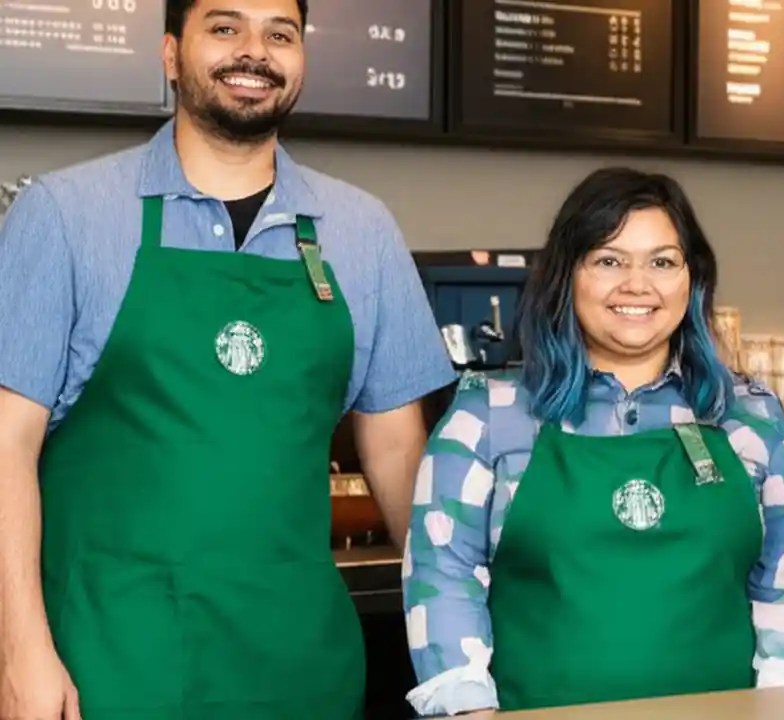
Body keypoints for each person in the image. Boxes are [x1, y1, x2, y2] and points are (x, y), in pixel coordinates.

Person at [0, 0, 456, 718]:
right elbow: (6, 446)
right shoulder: (65, 215)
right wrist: (20, 650)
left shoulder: (362, 231)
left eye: (281, 34)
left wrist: (459, 637)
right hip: (109, 663)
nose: (255, 51)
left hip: (299, 665)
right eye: (224, 27)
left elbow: (398, 451)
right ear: (170, 54)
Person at [402, 167, 784, 716]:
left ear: (692, 279)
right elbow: (443, 577)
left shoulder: (752, 418)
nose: (637, 284)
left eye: (663, 262)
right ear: (567, 276)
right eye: (608, 260)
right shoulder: (488, 417)